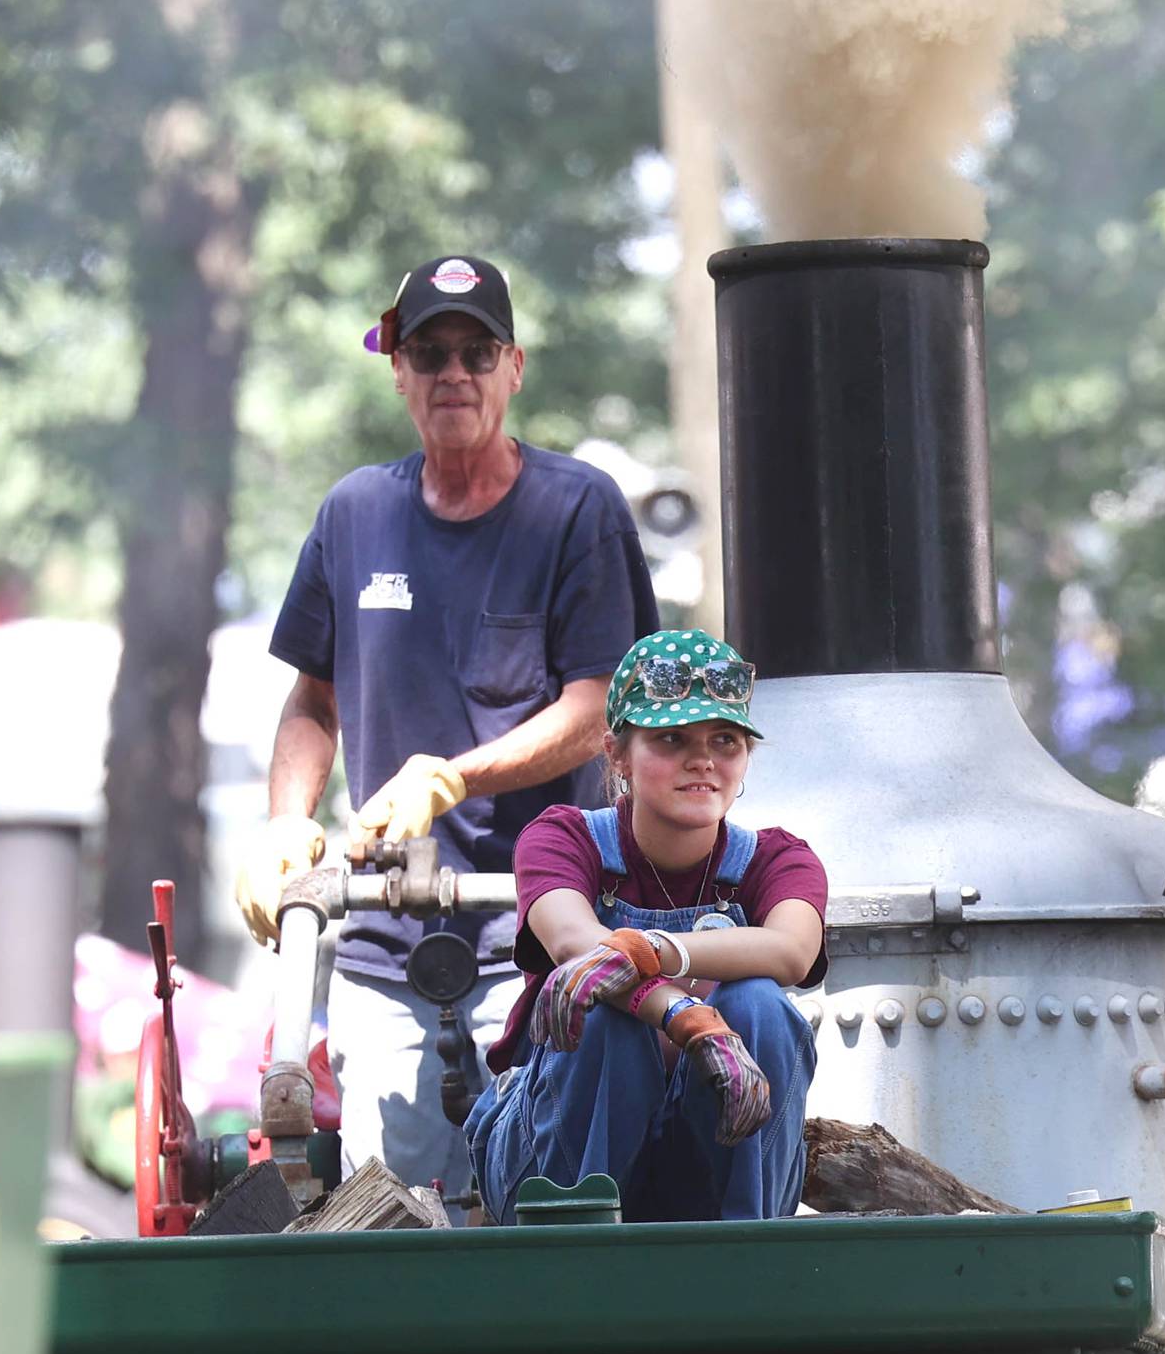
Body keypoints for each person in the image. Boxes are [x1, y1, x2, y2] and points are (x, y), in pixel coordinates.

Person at [235, 255, 658, 1197]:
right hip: (383, 944)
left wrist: (454, 776)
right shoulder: (354, 515)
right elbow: (313, 700)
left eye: (476, 351)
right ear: (397, 369)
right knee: (389, 1213)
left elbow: (599, 713)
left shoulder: (576, 510)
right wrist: (283, 821)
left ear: (515, 367)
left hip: (542, 935)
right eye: (429, 352)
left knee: (544, 1203)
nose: (452, 373)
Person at [464, 626, 826, 1223]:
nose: (703, 760)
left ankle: (752, 1256)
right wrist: (689, 1017)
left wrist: (653, 949)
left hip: (707, 1166)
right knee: (606, 1014)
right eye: (671, 738)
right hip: (553, 1163)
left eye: (725, 740)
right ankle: (571, 1251)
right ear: (616, 752)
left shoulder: (777, 859)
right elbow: (575, 943)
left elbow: (790, 950)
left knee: (762, 1005)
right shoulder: (562, 837)